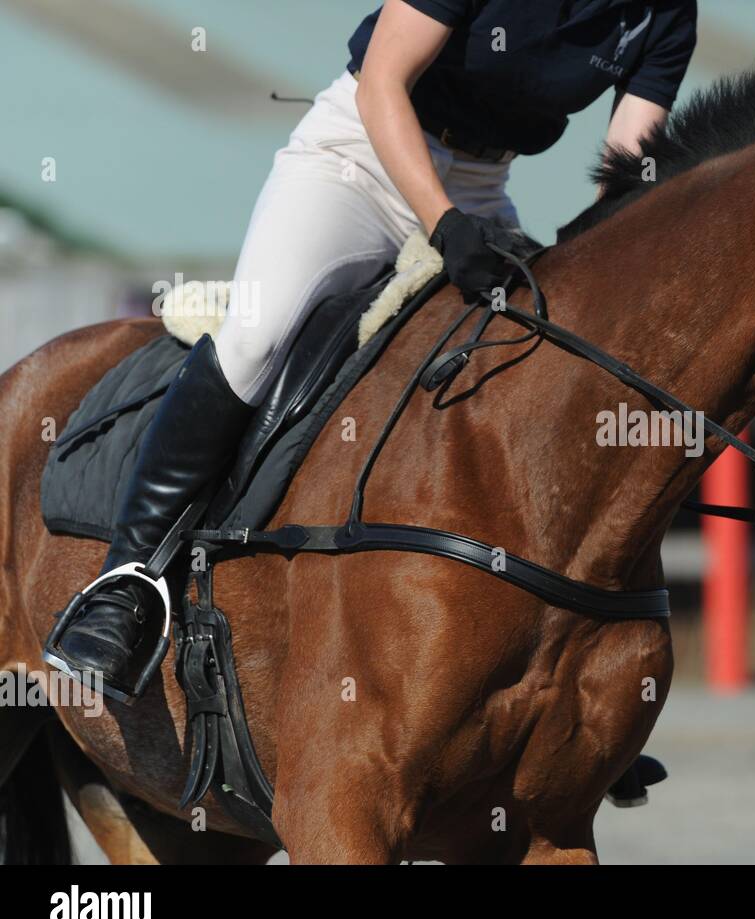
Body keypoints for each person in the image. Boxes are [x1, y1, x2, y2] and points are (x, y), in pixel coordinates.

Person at [47, 0, 698, 701]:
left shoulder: (664, 12)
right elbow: (381, 81)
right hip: (361, 158)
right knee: (255, 336)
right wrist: (442, 225)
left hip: (481, 190)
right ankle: (127, 580)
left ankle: (562, 672)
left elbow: (627, 173)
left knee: (555, 372)